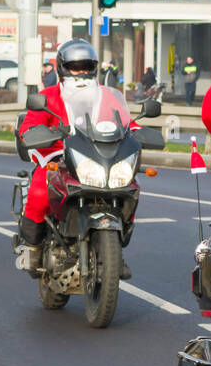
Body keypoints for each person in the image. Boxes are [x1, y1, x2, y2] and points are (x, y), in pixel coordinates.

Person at [15, 39, 138, 280]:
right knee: (40, 193)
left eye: (86, 66)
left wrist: (137, 130)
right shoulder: (48, 96)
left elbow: (125, 121)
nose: (81, 72)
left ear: (94, 68)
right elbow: (30, 125)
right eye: (75, 66)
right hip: (58, 156)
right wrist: (36, 134)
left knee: (129, 188)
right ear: (62, 68)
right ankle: (33, 247)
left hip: (96, 156)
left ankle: (115, 250)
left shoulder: (106, 97)